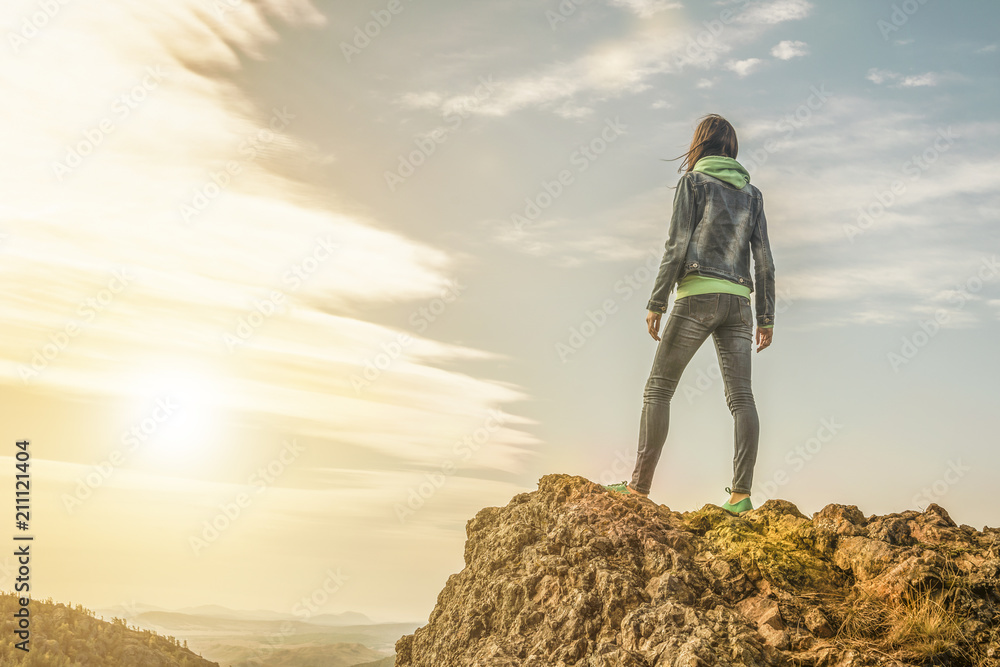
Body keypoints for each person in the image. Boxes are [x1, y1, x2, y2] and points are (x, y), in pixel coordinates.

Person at [604, 114, 776, 515]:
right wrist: (765, 317)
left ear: (700, 145)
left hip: (697, 294)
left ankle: (638, 488)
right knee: (742, 398)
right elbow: (764, 260)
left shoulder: (693, 183)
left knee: (658, 389)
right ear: (732, 150)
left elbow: (676, 245)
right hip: (739, 304)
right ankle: (740, 496)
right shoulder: (753, 195)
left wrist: (657, 301)